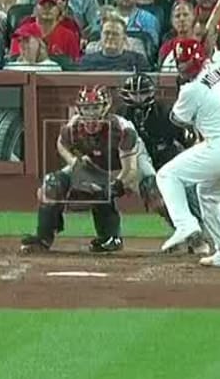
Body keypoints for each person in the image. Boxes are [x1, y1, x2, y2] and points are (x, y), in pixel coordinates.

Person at [157, 39, 220, 268]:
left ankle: (185, 224)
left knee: (167, 176)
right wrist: (214, 60)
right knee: (209, 195)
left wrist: (182, 87)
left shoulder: (191, 90)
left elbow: (177, 119)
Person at [18, 84, 140, 254]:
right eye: (86, 108)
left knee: (108, 190)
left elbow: (132, 169)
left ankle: (111, 237)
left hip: (124, 167)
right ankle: (43, 238)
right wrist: (74, 162)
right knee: (51, 184)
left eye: (95, 107)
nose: (91, 113)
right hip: (91, 165)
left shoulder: (122, 129)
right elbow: (61, 143)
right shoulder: (73, 126)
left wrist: (116, 185)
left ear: (106, 107)